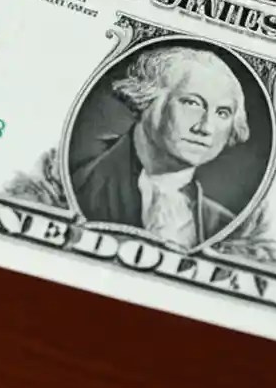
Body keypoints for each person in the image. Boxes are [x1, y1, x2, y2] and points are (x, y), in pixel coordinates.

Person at [72, 45, 249, 250]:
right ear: (147, 100)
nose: (206, 128)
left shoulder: (227, 228)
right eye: (192, 103)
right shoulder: (78, 186)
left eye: (223, 113)